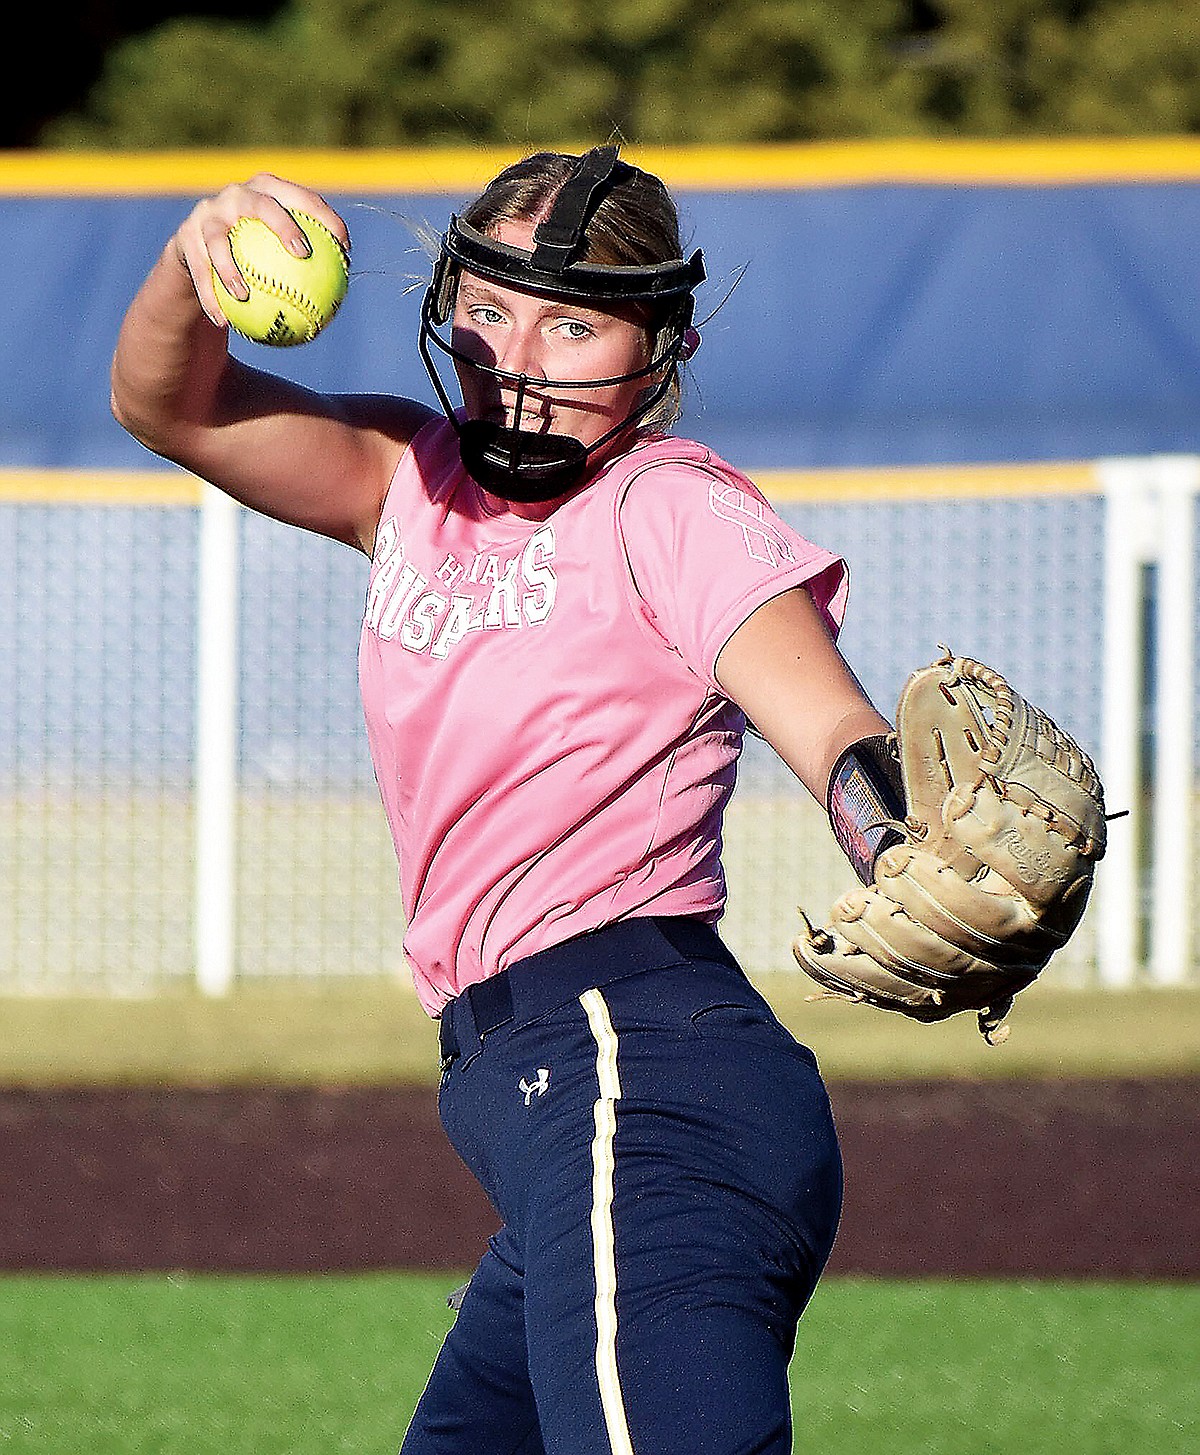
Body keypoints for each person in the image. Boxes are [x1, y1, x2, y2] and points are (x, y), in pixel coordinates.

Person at [112, 145, 900, 1455]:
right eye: (488, 307)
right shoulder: (407, 482)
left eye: (574, 320)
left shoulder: (669, 507)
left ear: (664, 340)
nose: (517, 353)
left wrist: (904, 839)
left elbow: (835, 733)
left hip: (634, 1081)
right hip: (558, 1111)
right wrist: (196, 259)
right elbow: (169, 404)